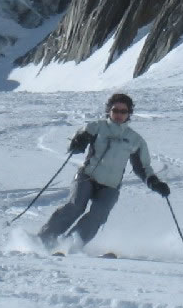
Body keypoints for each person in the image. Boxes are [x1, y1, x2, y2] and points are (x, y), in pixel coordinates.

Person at [37, 92, 170, 248]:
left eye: (123, 111)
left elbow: (142, 167)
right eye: (115, 110)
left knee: (98, 215)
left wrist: (154, 182)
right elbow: (74, 143)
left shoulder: (135, 140)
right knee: (75, 207)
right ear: (109, 111)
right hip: (86, 178)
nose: (119, 114)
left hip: (110, 186)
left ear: (129, 114)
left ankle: (70, 244)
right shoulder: (96, 127)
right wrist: (77, 142)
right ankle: (44, 239)